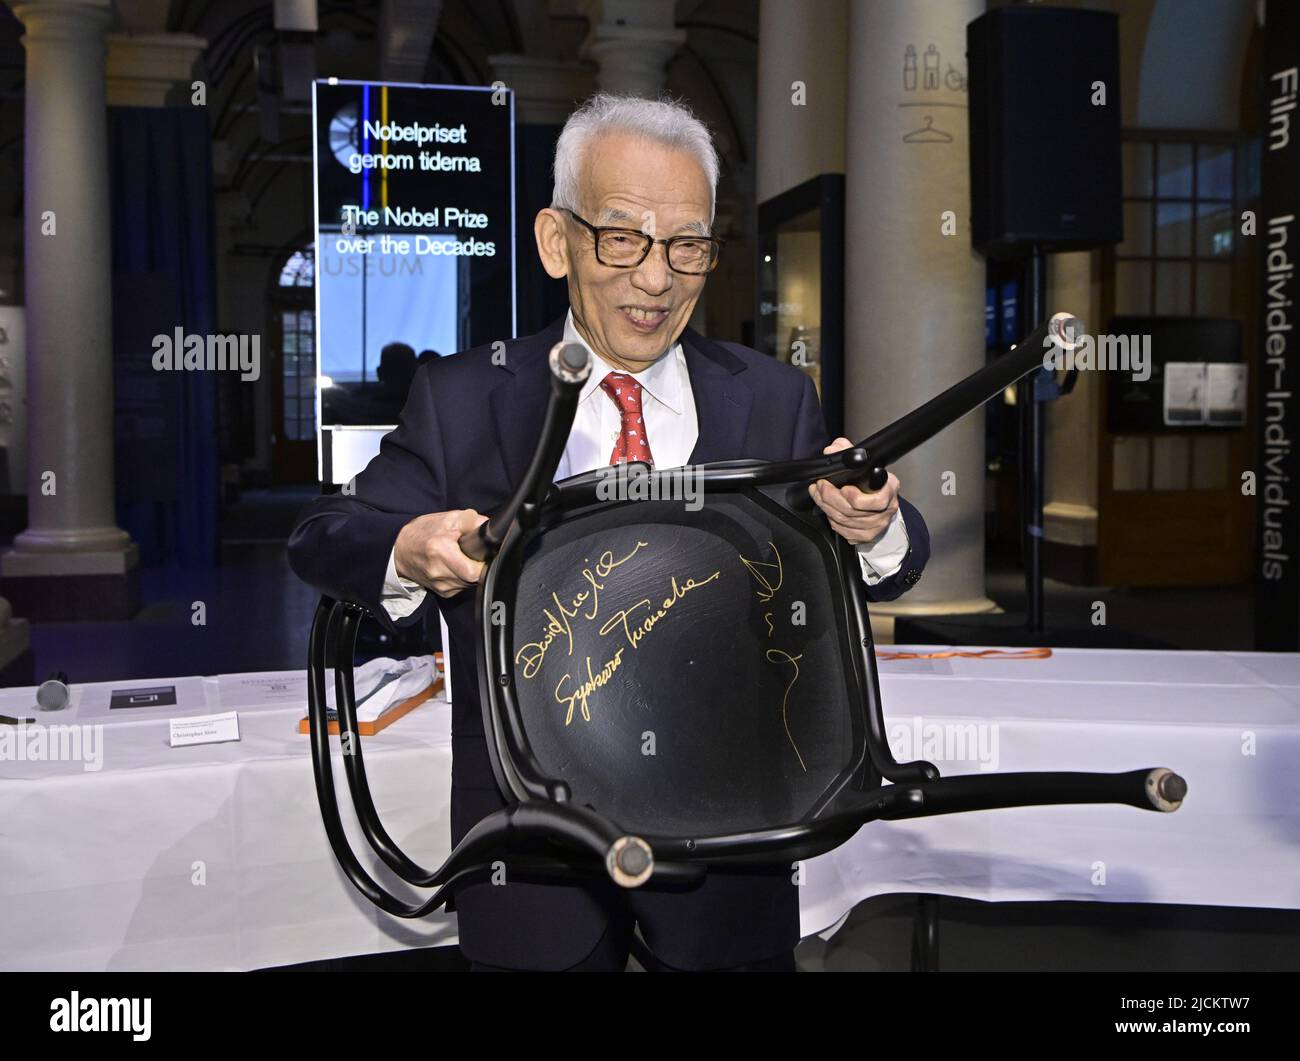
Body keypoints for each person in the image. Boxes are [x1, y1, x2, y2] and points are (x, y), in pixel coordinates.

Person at [289, 93, 929, 971]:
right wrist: (409, 547)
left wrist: (873, 519)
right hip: (531, 840)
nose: (657, 278)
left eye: (688, 245)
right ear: (557, 241)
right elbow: (323, 535)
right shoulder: (465, 398)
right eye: (622, 237)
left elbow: (895, 562)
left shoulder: (772, 398)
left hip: (731, 841)